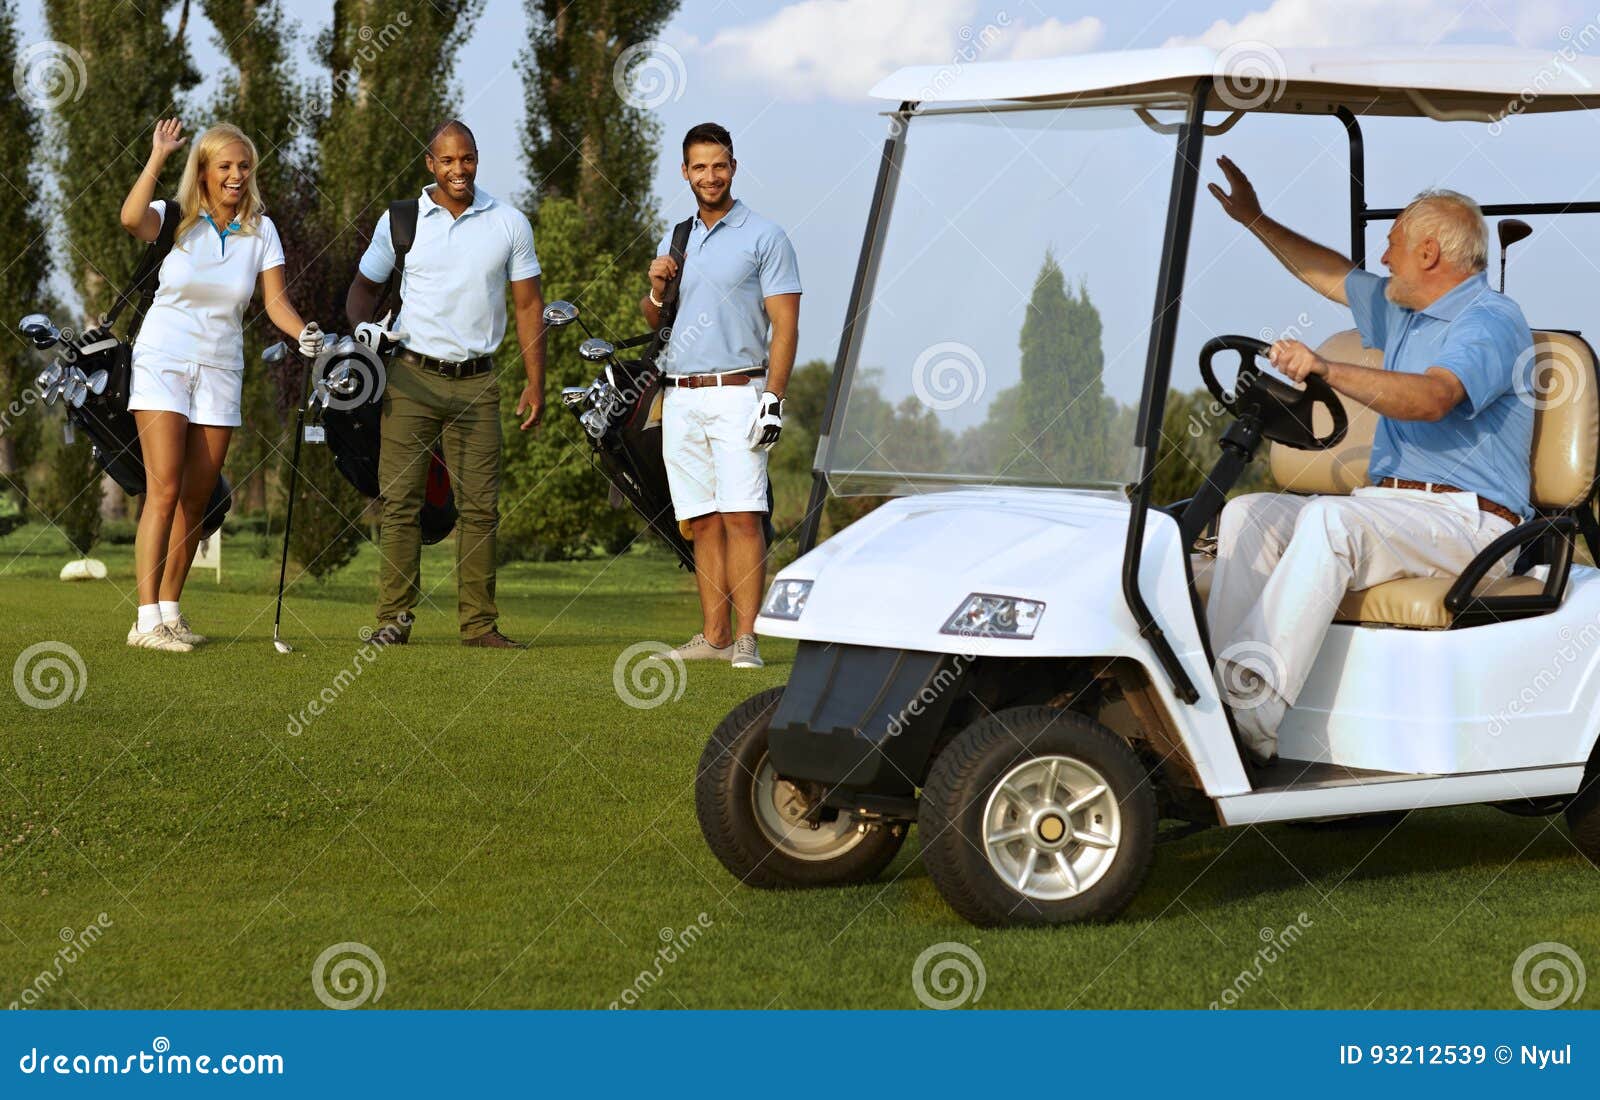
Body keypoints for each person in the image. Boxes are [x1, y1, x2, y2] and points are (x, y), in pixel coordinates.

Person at [1206, 156, 1533, 761]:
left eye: (1393, 247)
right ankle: (1209, 703)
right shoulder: (1403, 308)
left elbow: (1435, 398)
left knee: (1332, 522)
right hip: (1395, 510)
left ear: (1429, 253)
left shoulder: (1491, 320)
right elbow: (1331, 273)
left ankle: (1250, 714)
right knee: (1248, 513)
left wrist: (1327, 367)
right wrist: (1255, 219)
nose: (1384, 260)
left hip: (1473, 524)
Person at [118, 118, 324, 653]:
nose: (237, 175)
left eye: (244, 166)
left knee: (198, 497)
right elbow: (130, 217)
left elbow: (274, 302)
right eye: (226, 166)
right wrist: (159, 154)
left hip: (220, 369)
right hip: (163, 359)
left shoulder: (262, 229)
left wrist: (305, 332)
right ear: (205, 171)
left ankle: (168, 611)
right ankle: (144, 622)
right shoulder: (173, 217)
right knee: (162, 488)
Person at [345, 120, 546, 649]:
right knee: (400, 503)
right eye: (449, 161)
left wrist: (535, 382)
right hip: (409, 379)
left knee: (480, 508)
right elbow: (363, 289)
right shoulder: (403, 221)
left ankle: (479, 627)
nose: (460, 169)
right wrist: (362, 333)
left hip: (478, 384)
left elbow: (528, 305)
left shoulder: (508, 222)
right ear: (431, 165)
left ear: (477, 160)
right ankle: (393, 621)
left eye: (469, 159)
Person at [642, 123, 801, 670]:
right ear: (684, 172)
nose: (710, 176)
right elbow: (658, 321)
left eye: (720, 165)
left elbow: (786, 323)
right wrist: (657, 288)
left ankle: (747, 639)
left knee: (743, 516)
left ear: (733, 167)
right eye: (699, 167)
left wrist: (773, 397)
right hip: (680, 395)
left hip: (739, 390)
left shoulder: (766, 236)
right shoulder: (677, 238)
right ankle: (713, 638)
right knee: (701, 519)